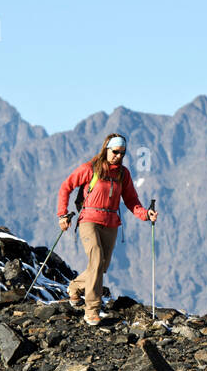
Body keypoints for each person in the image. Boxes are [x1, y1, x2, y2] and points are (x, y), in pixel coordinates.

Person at [56, 133, 158, 324]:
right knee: (95, 260)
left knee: (101, 266)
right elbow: (66, 186)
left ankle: (75, 287)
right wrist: (62, 214)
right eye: (115, 152)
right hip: (89, 220)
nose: (118, 156)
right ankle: (92, 310)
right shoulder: (90, 168)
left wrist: (145, 214)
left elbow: (131, 200)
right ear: (106, 149)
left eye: (123, 153)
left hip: (111, 223)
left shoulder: (123, 174)